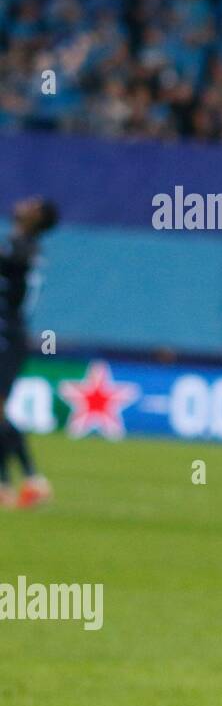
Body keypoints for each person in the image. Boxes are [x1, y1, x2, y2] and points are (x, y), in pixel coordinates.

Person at [0, 196, 59, 509]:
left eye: (32, 205)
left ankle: (28, 480)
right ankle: (15, 483)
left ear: (37, 218)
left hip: (7, 335)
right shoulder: (24, 248)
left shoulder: (21, 249)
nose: (21, 204)